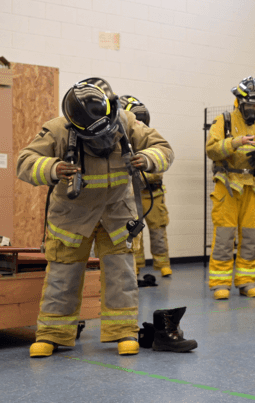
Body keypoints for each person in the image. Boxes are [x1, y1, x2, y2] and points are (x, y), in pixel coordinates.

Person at [17, 78, 174, 357]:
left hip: (116, 214)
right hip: (72, 216)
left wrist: (148, 158)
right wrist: (53, 167)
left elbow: (164, 149)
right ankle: (52, 334)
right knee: (63, 276)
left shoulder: (127, 121)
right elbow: (24, 162)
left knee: (122, 276)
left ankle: (123, 331)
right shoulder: (57, 129)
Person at [205, 77, 255, 300]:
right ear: (238, 102)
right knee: (224, 236)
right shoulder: (224, 121)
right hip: (228, 187)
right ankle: (220, 283)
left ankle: (246, 281)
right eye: (248, 105)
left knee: (250, 237)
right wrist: (234, 143)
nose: (252, 110)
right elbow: (211, 150)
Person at [119, 95, 173, 278]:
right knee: (134, 232)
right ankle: (136, 266)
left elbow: (157, 170)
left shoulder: (148, 138)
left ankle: (163, 264)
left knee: (158, 231)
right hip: (132, 197)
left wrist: (139, 173)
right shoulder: (121, 143)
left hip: (154, 195)